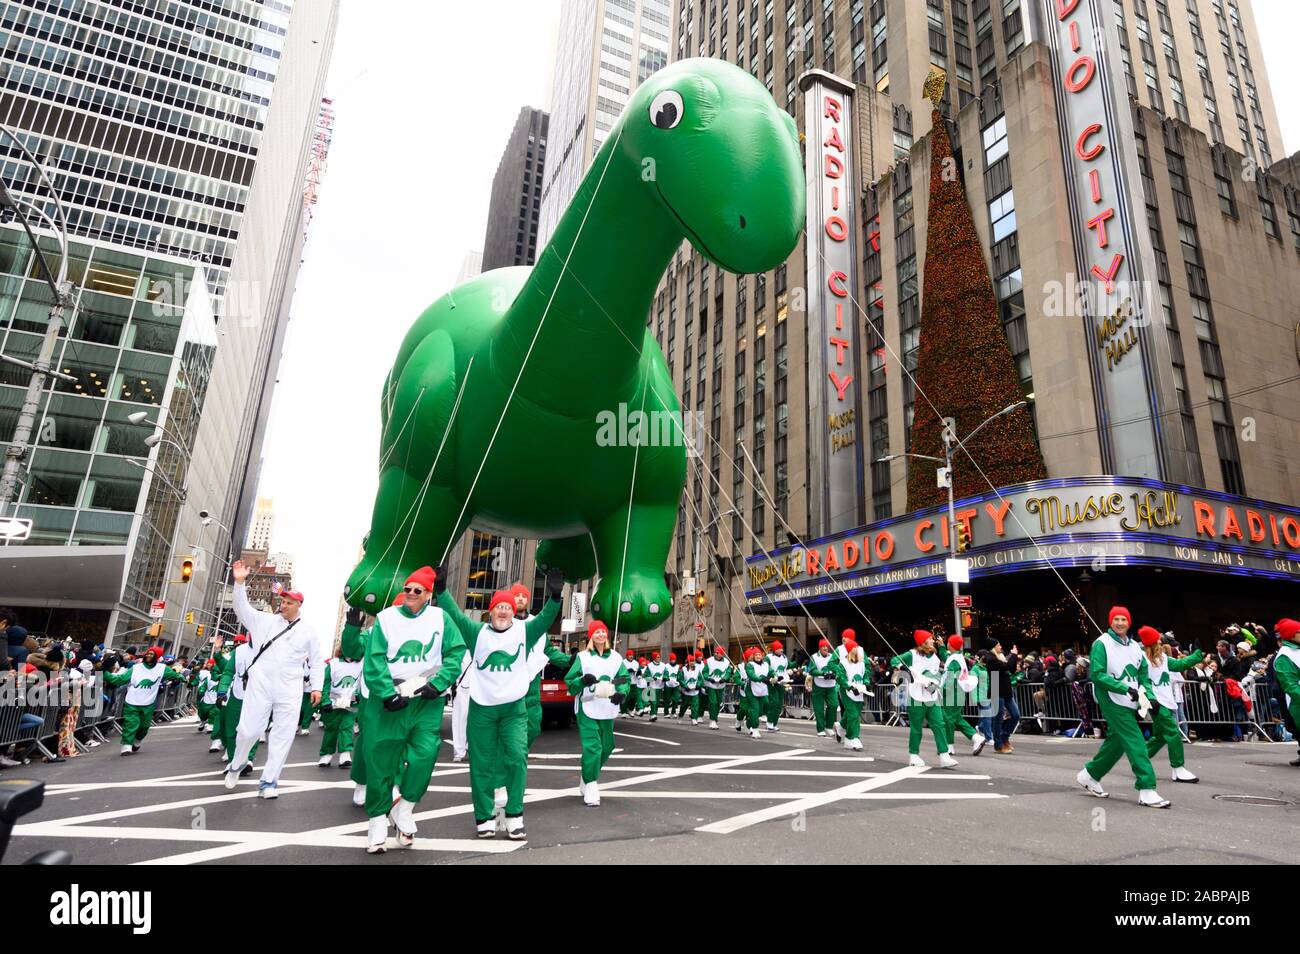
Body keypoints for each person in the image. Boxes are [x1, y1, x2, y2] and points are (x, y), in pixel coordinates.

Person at [437, 567, 563, 840]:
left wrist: (555, 597)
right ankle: (484, 817)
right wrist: (441, 590)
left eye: (508, 607)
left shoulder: (524, 632)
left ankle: (514, 814)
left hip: (514, 709)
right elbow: (456, 616)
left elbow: (543, 621)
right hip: (482, 708)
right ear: (490, 612)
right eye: (498, 607)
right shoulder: (476, 632)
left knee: (517, 756)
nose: (504, 611)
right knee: (481, 763)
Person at [358, 566, 466, 854]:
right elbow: (375, 659)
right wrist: (386, 693)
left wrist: (440, 683)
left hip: (425, 700)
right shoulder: (386, 618)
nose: (410, 594)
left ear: (428, 595)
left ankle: (404, 807)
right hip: (389, 701)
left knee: (425, 756)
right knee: (381, 761)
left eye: (417, 590)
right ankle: (377, 820)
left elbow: (456, 652)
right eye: (407, 589)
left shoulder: (440, 618)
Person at [222, 562, 323, 799]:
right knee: (249, 730)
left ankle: (269, 782)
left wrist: (317, 687)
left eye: (289, 602)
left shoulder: (308, 631)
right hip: (260, 684)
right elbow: (241, 608)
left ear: (299, 605)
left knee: (283, 735)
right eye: (283, 601)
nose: (284, 605)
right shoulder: (264, 621)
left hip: (290, 688)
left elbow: (317, 661)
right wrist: (239, 583)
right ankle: (237, 763)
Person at [1076, 607, 1171, 808]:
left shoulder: (1135, 646)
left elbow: (1143, 675)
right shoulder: (1101, 644)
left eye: (1124, 619)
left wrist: (1150, 696)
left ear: (1129, 622)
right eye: (1116, 619)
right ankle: (1147, 788)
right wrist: (1125, 688)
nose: (1120, 623)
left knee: (1117, 741)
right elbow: (1098, 675)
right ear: (1110, 621)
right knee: (1135, 740)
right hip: (1111, 698)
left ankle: (1090, 774)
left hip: (1132, 699)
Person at [564, 619, 629, 806]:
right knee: (593, 747)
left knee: (607, 746)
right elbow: (570, 680)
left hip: (608, 708)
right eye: (596, 632)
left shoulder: (616, 657)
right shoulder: (583, 657)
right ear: (591, 636)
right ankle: (592, 784)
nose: (600, 635)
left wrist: (621, 694)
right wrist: (583, 680)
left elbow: (623, 679)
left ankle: (586, 775)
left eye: (603, 631)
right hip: (587, 707)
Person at [1139, 625, 1203, 783]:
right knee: (1173, 732)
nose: (1160, 644)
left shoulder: (1164, 658)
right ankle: (1178, 768)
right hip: (1156, 702)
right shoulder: (1141, 659)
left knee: (1160, 737)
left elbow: (1180, 665)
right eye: (1157, 641)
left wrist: (1197, 655)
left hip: (1167, 700)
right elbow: (1141, 680)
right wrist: (1148, 698)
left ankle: (1139, 760)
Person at [890, 630, 957, 769]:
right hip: (916, 696)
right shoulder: (911, 654)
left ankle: (944, 755)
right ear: (923, 642)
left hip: (932, 695)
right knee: (916, 728)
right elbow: (894, 660)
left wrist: (943, 647)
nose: (933, 640)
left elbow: (946, 661)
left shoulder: (935, 655)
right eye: (930, 639)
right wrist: (903, 668)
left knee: (939, 725)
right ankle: (913, 755)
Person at [516, 583, 572, 748]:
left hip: (532, 682)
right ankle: (510, 756)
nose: (520, 599)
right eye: (516, 595)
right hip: (508, 681)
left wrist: (570, 660)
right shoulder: (505, 620)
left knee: (533, 726)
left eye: (523, 596)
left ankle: (519, 753)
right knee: (509, 725)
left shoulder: (537, 622)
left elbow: (548, 650)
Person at [102, 647, 184, 755]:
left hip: (148, 703)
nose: (148, 655)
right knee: (131, 724)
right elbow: (120, 679)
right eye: (148, 653)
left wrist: (181, 677)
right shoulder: (136, 668)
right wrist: (104, 672)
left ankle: (138, 740)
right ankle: (126, 746)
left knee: (144, 727)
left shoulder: (162, 668)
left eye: (152, 654)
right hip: (132, 702)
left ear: (157, 657)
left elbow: (175, 675)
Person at [318, 626, 363, 769]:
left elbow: (364, 683)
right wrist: (325, 701)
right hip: (333, 702)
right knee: (331, 729)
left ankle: (345, 754)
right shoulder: (333, 663)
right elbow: (325, 683)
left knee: (347, 727)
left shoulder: (363, 664)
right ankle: (326, 754)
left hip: (351, 702)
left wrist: (359, 697)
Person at [214, 633, 259, 771]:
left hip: (257, 697)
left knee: (252, 730)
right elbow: (227, 672)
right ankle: (234, 760)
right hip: (237, 695)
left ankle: (248, 759)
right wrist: (222, 691)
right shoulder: (238, 652)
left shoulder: (271, 650)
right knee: (232, 729)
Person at [940, 635, 988, 755]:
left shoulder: (954, 659)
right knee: (956, 719)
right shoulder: (957, 657)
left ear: (950, 645)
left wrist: (941, 690)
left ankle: (949, 746)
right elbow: (947, 658)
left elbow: (951, 677)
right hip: (958, 692)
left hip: (953, 693)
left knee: (949, 719)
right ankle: (975, 738)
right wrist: (940, 646)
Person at [1272, 619, 1300, 766]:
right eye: (1299, 632)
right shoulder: (1285, 656)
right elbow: (1290, 684)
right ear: (1290, 635)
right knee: (1293, 726)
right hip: (1296, 700)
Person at [836, 636, 868, 751]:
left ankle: (845, 732)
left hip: (859, 691)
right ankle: (854, 738)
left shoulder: (862, 663)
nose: (857, 648)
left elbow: (865, 675)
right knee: (853, 715)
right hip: (847, 692)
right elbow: (841, 678)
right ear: (850, 650)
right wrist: (849, 686)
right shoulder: (843, 663)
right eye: (855, 647)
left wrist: (868, 682)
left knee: (852, 714)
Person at [806, 638, 841, 737]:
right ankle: (820, 729)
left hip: (830, 685)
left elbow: (838, 667)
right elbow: (812, 670)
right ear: (820, 648)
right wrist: (822, 673)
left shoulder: (833, 656)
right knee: (819, 708)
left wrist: (834, 673)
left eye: (827, 646)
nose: (825, 648)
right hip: (818, 685)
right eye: (823, 646)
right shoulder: (814, 657)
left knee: (834, 705)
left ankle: (828, 726)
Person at [743, 645, 772, 740]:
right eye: (756, 655)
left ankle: (748, 722)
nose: (758, 656)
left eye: (759, 654)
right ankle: (755, 729)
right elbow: (752, 676)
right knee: (755, 709)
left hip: (762, 690)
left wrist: (776, 677)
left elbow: (771, 672)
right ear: (753, 656)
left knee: (765, 705)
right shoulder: (749, 665)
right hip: (751, 690)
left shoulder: (766, 664)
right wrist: (762, 679)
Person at [701, 645, 731, 730]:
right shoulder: (709, 661)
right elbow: (705, 671)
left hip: (721, 685)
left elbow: (728, 672)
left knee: (718, 703)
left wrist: (725, 679)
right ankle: (712, 720)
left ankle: (715, 717)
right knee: (713, 702)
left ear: (722, 654)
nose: (717, 654)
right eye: (716, 652)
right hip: (711, 685)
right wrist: (708, 678)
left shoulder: (726, 662)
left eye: (719, 653)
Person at [765, 640, 789, 732]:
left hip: (781, 683)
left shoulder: (784, 657)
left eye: (782, 648)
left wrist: (796, 662)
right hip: (772, 683)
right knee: (774, 703)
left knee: (779, 704)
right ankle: (769, 722)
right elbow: (767, 668)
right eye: (779, 648)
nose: (782, 650)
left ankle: (774, 723)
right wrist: (774, 676)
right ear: (775, 649)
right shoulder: (768, 658)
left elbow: (787, 666)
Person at [679, 654, 703, 724]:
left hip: (695, 691)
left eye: (693, 661)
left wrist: (698, 685)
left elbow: (700, 679)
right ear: (687, 662)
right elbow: (680, 679)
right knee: (685, 705)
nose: (692, 662)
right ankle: (680, 716)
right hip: (686, 691)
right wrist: (685, 686)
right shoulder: (683, 669)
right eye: (691, 661)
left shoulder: (697, 669)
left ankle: (694, 718)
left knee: (695, 705)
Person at [644, 651, 665, 721]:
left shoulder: (663, 665)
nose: (659, 658)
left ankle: (653, 714)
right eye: (658, 657)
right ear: (654, 658)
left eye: (659, 657)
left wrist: (666, 677)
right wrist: (652, 678)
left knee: (657, 702)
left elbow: (666, 673)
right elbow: (646, 676)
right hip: (652, 686)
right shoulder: (649, 666)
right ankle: (653, 714)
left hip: (659, 686)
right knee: (653, 701)